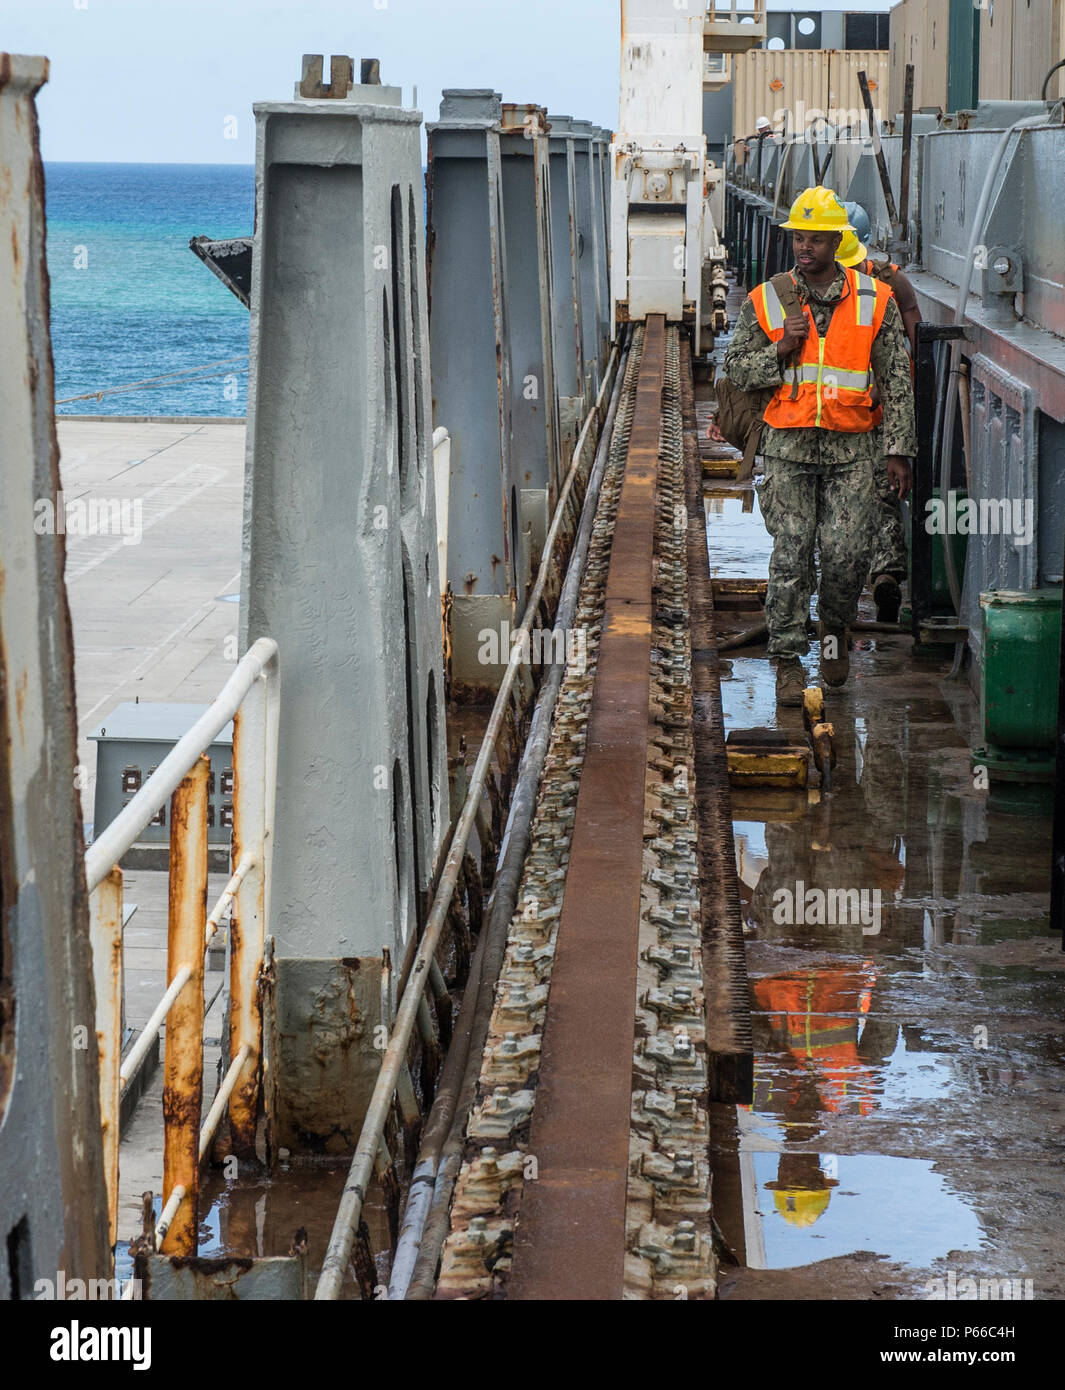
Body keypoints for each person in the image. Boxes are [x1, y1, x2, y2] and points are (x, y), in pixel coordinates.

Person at [723, 186, 917, 706]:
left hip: (854, 451)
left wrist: (899, 451)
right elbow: (737, 369)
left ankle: (834, 635)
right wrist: (778, 350)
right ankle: (787, 662)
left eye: (814, 239)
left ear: (836, 242)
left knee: (845, 556)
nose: (803, 247)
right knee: (790, 556)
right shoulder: (768, 298)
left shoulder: (875, 300)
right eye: (798, 238)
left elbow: (897, 379)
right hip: (787, 447)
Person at [838, 201, 921, 623]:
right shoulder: (892, 280)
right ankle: (887, 571)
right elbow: (915, 339)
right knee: (884, 495)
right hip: (881, 406)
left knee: (841, 501)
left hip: (840, 411)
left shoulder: (822, 285)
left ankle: (844, 588)